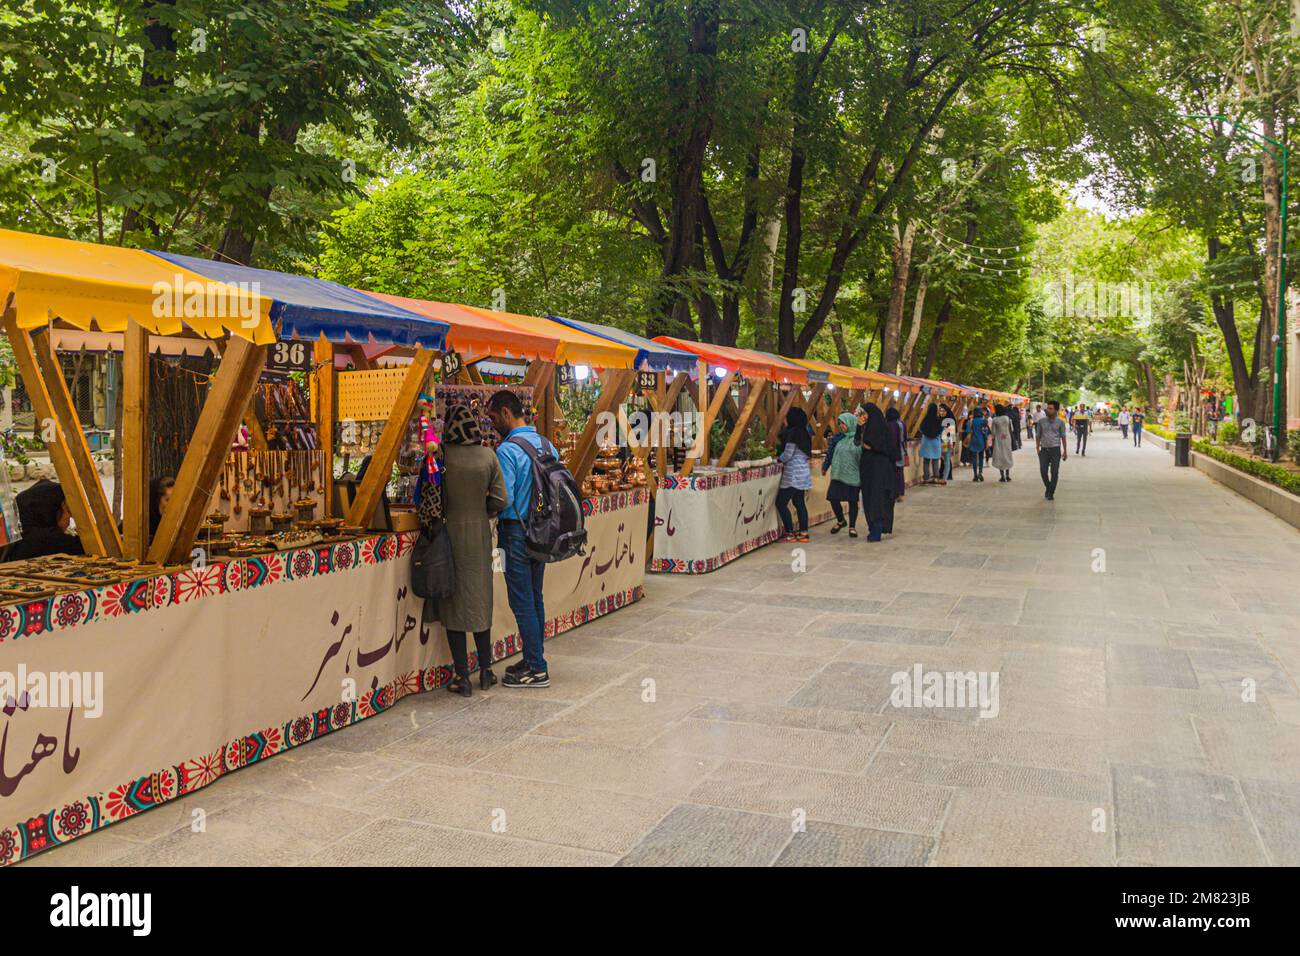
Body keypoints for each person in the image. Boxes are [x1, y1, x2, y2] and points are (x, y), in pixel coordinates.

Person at [435, 403, 509, 697]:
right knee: (480, 600)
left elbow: (431, 497)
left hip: (449, 536)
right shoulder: (488, 456)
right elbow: (502, 499)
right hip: (480, 536)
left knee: (454, 604)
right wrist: (484, 511)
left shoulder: (442, 458)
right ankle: (487, 671)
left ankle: (461, 676)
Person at [488, 389, 558, 689]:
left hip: (515, 532)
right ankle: (533, 658)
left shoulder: (507, 450)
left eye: (493, 418)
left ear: (506, 413)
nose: (492, 424)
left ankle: (537, 668)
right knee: (535, 596)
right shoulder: (546, 444)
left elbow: (505, 499)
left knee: (522, 600)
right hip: (542, 532)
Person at [4, 479, 85, 561]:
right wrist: (61, 525)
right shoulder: (43, 539)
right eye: (67, 510)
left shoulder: (21, 534)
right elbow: (85, 546)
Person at [856, 403, 895, 541]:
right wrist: (859, 427)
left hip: (880, 469)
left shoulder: (881, 429)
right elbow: (857, 442)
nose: (864, 417)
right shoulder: (867, 427)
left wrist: (870, 445)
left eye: (865, 414)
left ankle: (877, 530)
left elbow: (883, 447)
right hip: (868, 468)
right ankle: (873, 527)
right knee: (869, 497)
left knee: (877, 498)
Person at [776, 406, 812, 543]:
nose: (785, 420)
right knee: (799, 502)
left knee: (781, 502)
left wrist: (779, 459)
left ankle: (789, 532)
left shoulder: (793, 434)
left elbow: (788, 454)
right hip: (803, 472)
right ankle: (803, 533)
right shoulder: (804, 432)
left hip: (793, 473)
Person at [822, 411, 861, 536]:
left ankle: (852, 526)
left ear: (850, 423)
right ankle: (841, 520)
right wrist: (825, 466)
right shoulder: (838, 438)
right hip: (838, 474)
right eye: (840, 424)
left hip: (853, 474)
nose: (841, 426)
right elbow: (830, 453)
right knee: (833, 498)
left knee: (852, 501)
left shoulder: (858, 438)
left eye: (843, 423)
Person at [1035, 400, 1068, 500]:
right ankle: (1048, 487)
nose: (1048, 410)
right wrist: (1037, 448)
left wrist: (1065, 451)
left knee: (1054, 472)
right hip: (1044, 450)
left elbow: (1063, 437)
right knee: (1043, 471)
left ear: (1056, 410)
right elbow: (1038, 436)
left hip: (1055, 450)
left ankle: (1050, 492)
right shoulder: (1041, 422)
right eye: (1047, 408)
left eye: (1050, 408)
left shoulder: (1061, 423)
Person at [917, 403, 944, 485]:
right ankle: (936, 478)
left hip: (926, 443)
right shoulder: (938, 420)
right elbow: (941, 430)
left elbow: (920, 429)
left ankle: (926, 478)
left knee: (926, 461)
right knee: (935, 460)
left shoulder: (925, 420)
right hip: (935, 442)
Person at [885, 406, 907, 499]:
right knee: (900, 472)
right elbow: (905, 437)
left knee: (893, 473)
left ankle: (894, 492)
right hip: (901, 450)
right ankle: (900, 492)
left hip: (893, 452)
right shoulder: (901, 423)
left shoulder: (889, 425)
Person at [991, 404, 1014, 481]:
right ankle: (1008, 475)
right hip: (1007, 439)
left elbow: (993, 432)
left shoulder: (995, 420)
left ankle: (1002, 476)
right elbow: (1012, 429)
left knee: (1000, 456)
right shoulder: (1007, 418)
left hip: (998, 440)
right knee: (1007, 455)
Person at [968, 406, 990, 481]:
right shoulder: (984, 421)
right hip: (981, 440)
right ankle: (980, 473)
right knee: (981, 457)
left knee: (974, 458)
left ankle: (975, 475)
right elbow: (985, 433)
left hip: (973, 440)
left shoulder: (972, 421)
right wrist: (986, 442)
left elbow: (969, 431)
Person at [938, 403, 957, 481]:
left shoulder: (950, 420)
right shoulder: (939, 419)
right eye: (940, 411)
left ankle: (946, 477)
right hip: (941, 442)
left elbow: (952, 434)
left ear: (947, 411)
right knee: (944, 459)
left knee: (946, 459)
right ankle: (945, 475)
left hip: (947, 442)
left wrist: (952, 444)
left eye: (943, 411)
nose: (942, 413)